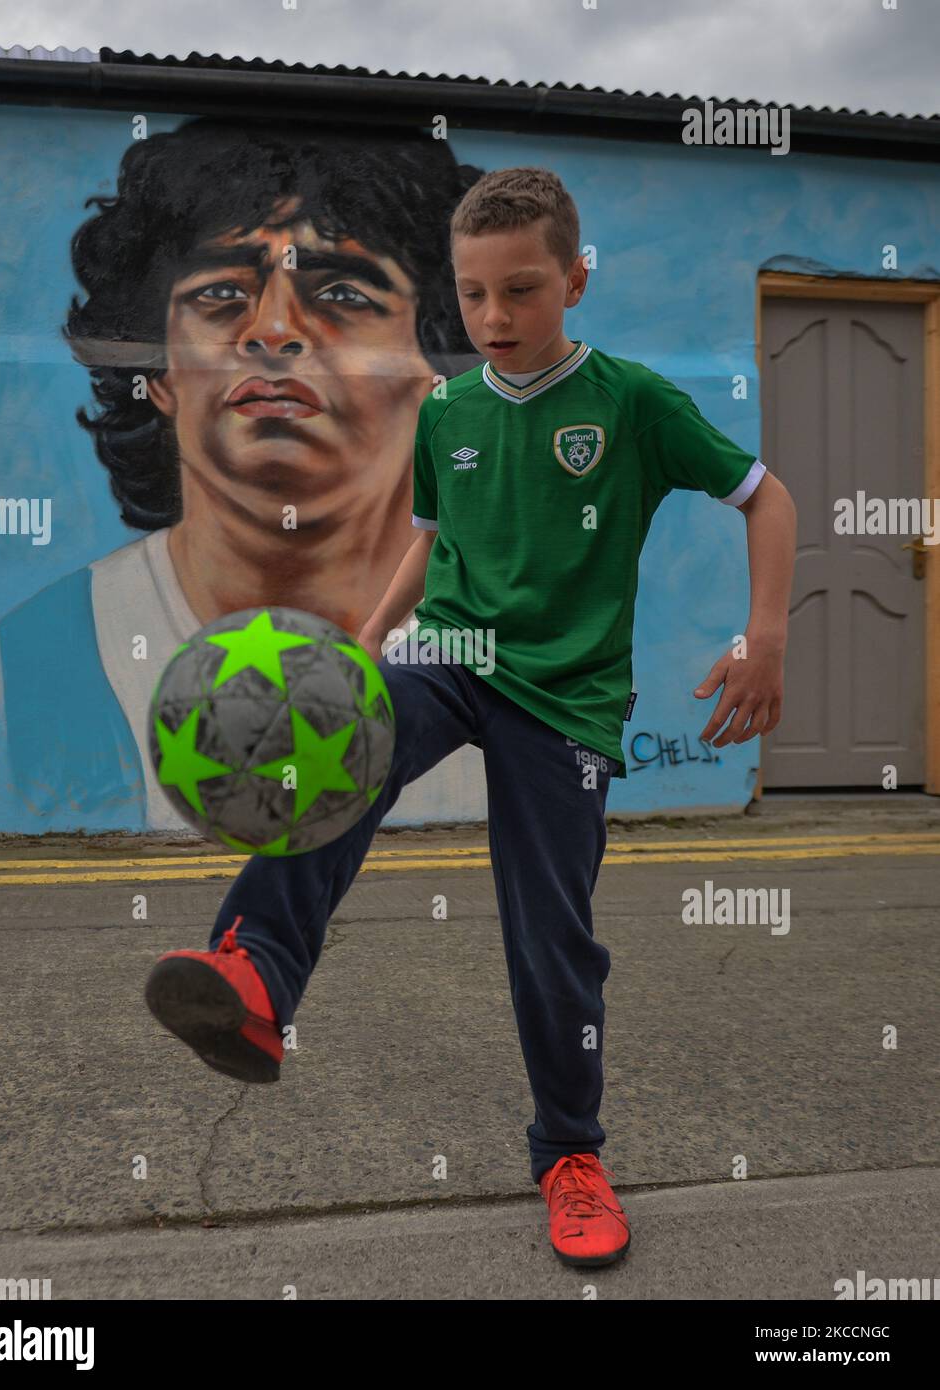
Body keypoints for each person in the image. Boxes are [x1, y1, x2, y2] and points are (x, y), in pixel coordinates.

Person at [144, 166, 797, 1268]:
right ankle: (255, 972)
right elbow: (435, 540)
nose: (494, 318)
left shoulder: (632, 401)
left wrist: (764, 633)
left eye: (523, 291)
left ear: (576, 281)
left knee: (550, 934)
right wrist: (362, 643)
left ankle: (570, 1156)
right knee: (340, 745)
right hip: (450, 655)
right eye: (475, 294)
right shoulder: (446, 408)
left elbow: (764, 496)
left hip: (569, 696)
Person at [0, 118, 482, 831]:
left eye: (344, 295)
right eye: (221, 294)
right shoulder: (19, 673)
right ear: (160, 371)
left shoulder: (500, 651)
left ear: (436, 366)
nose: (271, 330)